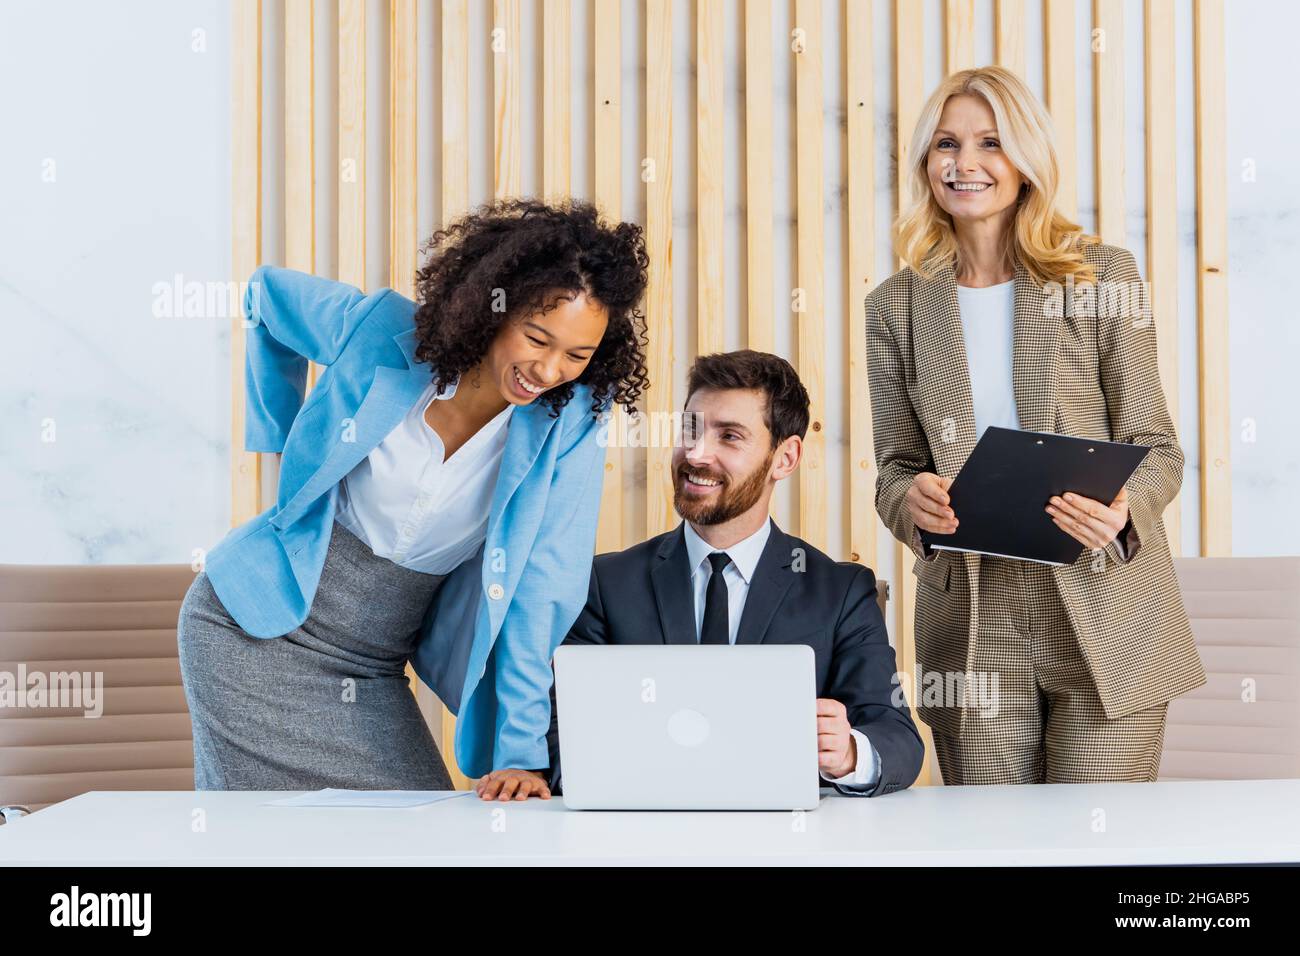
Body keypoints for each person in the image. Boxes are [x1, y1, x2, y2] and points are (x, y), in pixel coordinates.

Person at [178, 198, 649, 801]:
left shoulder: (573, 418)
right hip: (249, 630)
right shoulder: (381, 330)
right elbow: (265, 297)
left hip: (373, 667)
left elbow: (545, 588)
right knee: (265, 843)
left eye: (577, 356)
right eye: (537, 337)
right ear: (492, 307)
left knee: (421, 839)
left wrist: (522, 754)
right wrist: (279, 438)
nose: (551, 368)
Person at [865, 66, 1206, 785]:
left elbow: (1160, 448)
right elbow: (893, 466)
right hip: (976, 613)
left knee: (1096, 846)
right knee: (993, 850)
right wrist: (910, 503)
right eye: (946, 144)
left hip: (1105, 596)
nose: (965, 163)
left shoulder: (1100, 276)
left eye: (991, 142)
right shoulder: (894, 306)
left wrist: (1121, 510)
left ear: (1025, 161)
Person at [532, 350, 924, 799]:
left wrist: (849, 753)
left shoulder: (840, 592)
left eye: (730, 437)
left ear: (785, 458)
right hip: (640, 839)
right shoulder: (605, 583)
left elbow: (898, 741)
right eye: (690, 430)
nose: (697, 454)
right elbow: (556, 733)